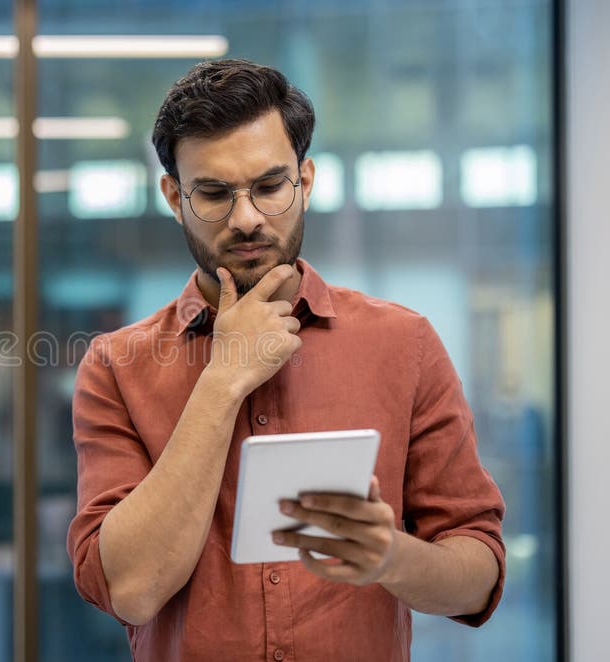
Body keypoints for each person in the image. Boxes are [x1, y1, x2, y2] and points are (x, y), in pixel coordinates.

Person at [66, 59, 505, 662]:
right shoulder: (116, 367)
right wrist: (223, 380)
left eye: (270, 187)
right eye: (214, 194)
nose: (246, 218)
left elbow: (479, 576)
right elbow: (132, 590)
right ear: (174, 198)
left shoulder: (405, 344)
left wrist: (392, 558)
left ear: (306, 180)